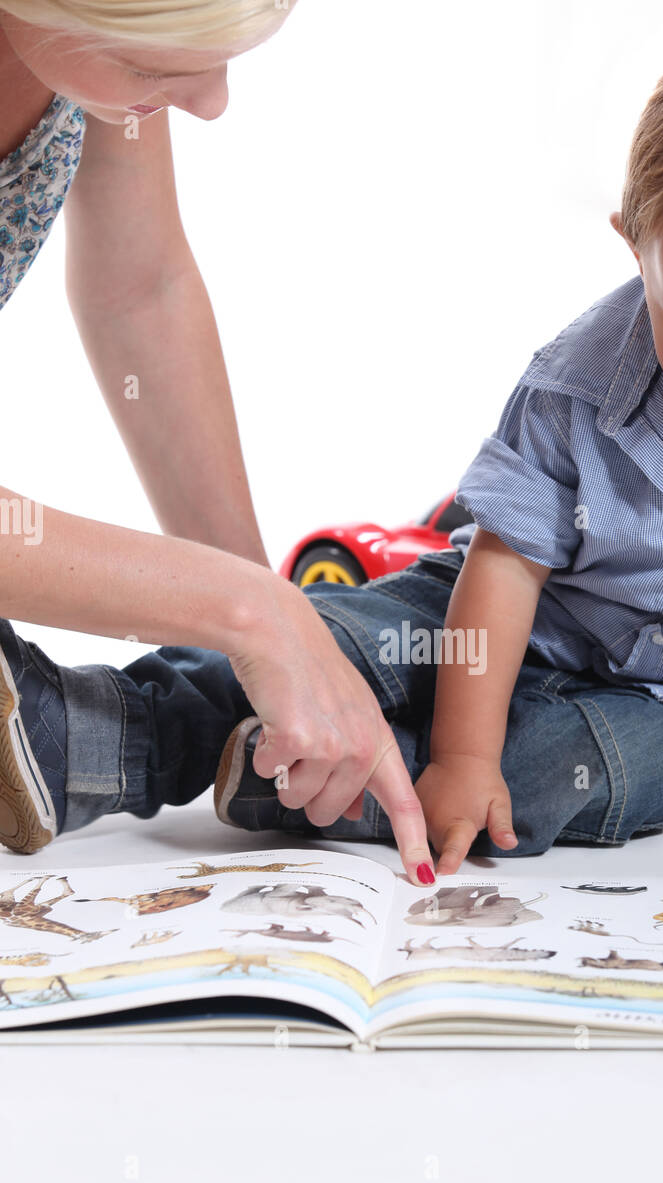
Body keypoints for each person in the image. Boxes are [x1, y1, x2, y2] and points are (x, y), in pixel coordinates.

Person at [7, 38, 663, 873]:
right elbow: (504, 571)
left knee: (557, 771)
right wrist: (460, 752)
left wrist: (475, 769)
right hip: (499, 623)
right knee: (329, 636)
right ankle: (82, 735)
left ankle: (327, 784)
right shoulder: (576, 384)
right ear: (635, 247)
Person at [0, 0, 435, 884]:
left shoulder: (76, 43)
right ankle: (84, 735)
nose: (214, 104)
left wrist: (268, 644)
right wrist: (247, 611)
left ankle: (90, 731)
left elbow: (141, 289)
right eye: (162, 69)